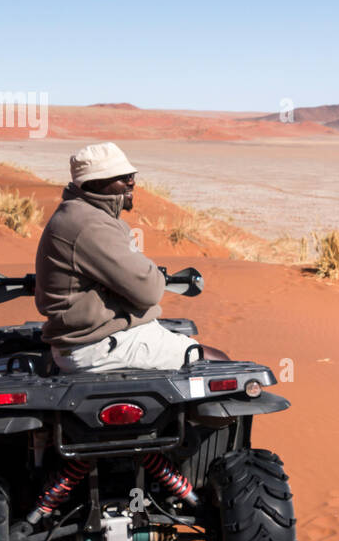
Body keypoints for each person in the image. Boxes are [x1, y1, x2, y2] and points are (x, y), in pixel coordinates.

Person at [35, 141, 227, 372]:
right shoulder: (90, 224)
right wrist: (152, 276)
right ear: (94, 182)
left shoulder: (79, 214)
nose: (131, 182)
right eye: (122, 176)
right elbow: (149, 291)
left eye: (131, 175)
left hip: (98, 339)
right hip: (99, 345)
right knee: (218, 363)